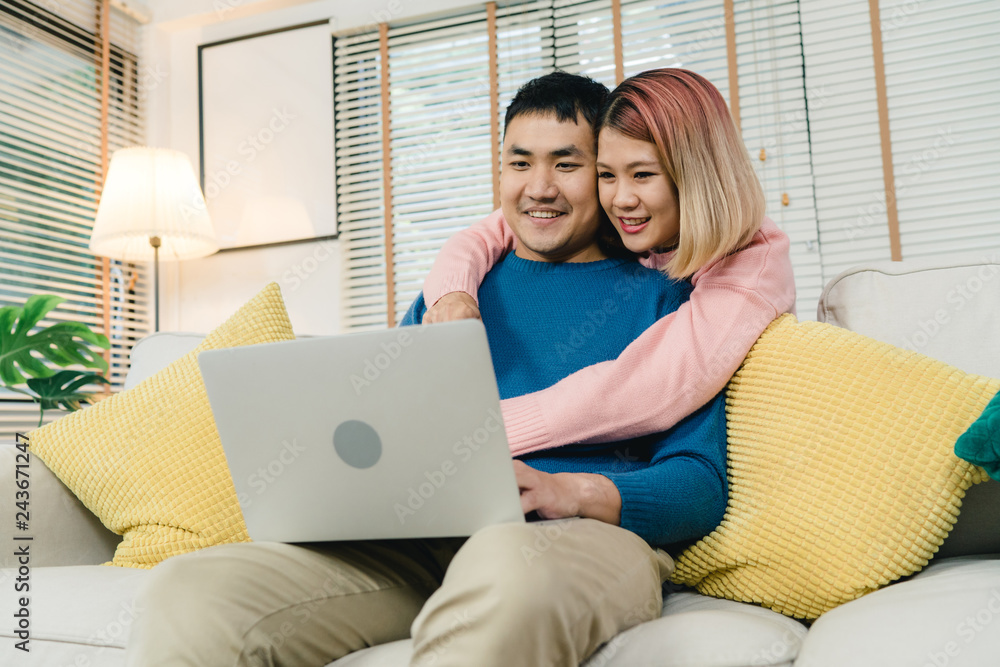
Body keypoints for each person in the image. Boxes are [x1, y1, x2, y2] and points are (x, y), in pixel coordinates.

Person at [125, 72, 730, 667]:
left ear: (602, 177)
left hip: (569, 540)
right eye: (520, 164)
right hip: (417, 544)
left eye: (566, 165)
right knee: (190, 593)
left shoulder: (668, 298)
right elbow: (385, 435)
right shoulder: (451, 295)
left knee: (502, 577)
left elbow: (699, 485)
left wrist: (567, 490)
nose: (539, 187)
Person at [421, 68, 797, 458]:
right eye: (606, 175)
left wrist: (482, 436)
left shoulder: (751, 266)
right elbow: (489, 231)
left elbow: (651, 388)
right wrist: (452, 294)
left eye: (643, 174)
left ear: (694, 176)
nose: (620, 199)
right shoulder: (631, 221)